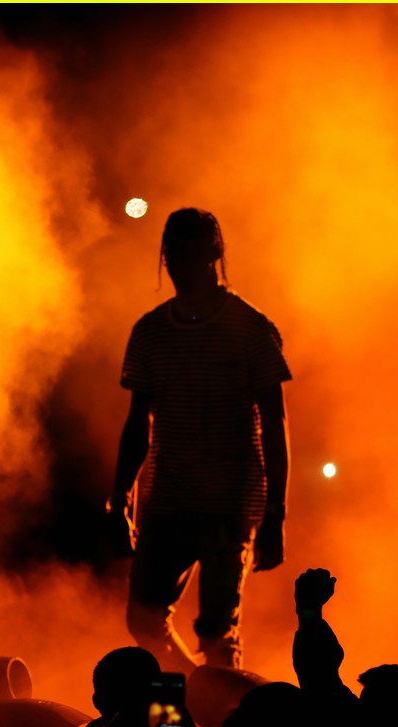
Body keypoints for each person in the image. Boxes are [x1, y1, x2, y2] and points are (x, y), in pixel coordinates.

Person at [107, 207, 291, 672]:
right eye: (172, 254)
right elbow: (137, 422)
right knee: (144, 621)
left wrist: (275, 513)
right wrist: (120, 495)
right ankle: (191, 702)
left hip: (230, 501)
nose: (179, 264)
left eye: (189, 253)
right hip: (168, 497)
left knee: (217, 632)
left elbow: (275, 423)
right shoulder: (150, 333)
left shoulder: (250, 330)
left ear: (214, 256)